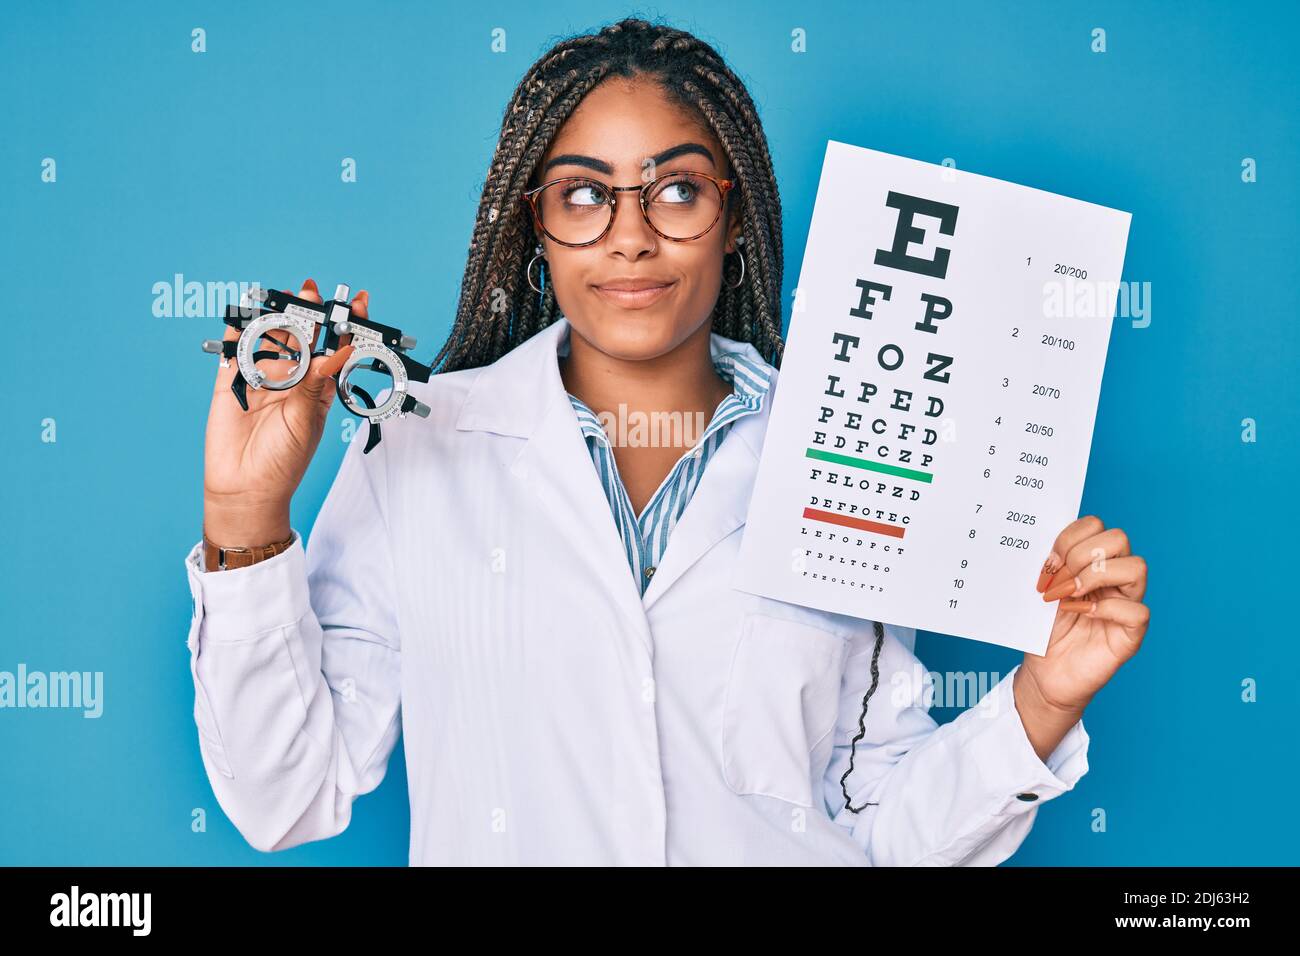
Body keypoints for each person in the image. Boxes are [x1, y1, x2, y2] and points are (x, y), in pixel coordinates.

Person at [186, 17, 1150, 866]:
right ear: (537, 226)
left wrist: (1040, 701)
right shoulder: (416, 454)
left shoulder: (841, 448)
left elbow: (876, 824)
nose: (631, 238)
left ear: (733, 219)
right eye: (583, 195)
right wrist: (245, 520)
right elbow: (288, 800)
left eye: (677, 192)